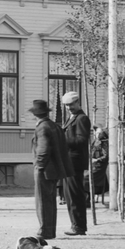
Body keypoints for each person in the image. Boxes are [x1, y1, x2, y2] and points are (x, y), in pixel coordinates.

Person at [29, 98, 73, 240]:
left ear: (35, 114)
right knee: (49, 200)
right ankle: (49, 230)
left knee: (42, 200)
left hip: (44, 169)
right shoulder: (54, 126)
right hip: (54, 169)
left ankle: (45, 231)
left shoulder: (42, 127)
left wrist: (39, 166)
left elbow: (43, 148)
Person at [61, 91, 90, 235]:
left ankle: (78, 227)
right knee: (69, 195)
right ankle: (76, 225)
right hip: (69, 162)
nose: (69, 107)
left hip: (75, 162)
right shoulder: (72, 118)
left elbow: (82, 140)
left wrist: (62, 140)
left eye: (71, 104)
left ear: (78, 102)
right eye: (66, 105)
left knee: (74, 195)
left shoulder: (82, 119)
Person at [90, 127, 109, 207]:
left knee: (88, 178)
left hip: (99, 165)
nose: (97, 134)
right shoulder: (94, 141)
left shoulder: (104, 143)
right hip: (92, 163)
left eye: (99, 133)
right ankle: (91, 196)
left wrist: (97, 160)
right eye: (96, 133)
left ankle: (94, 196)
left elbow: (105, 156)